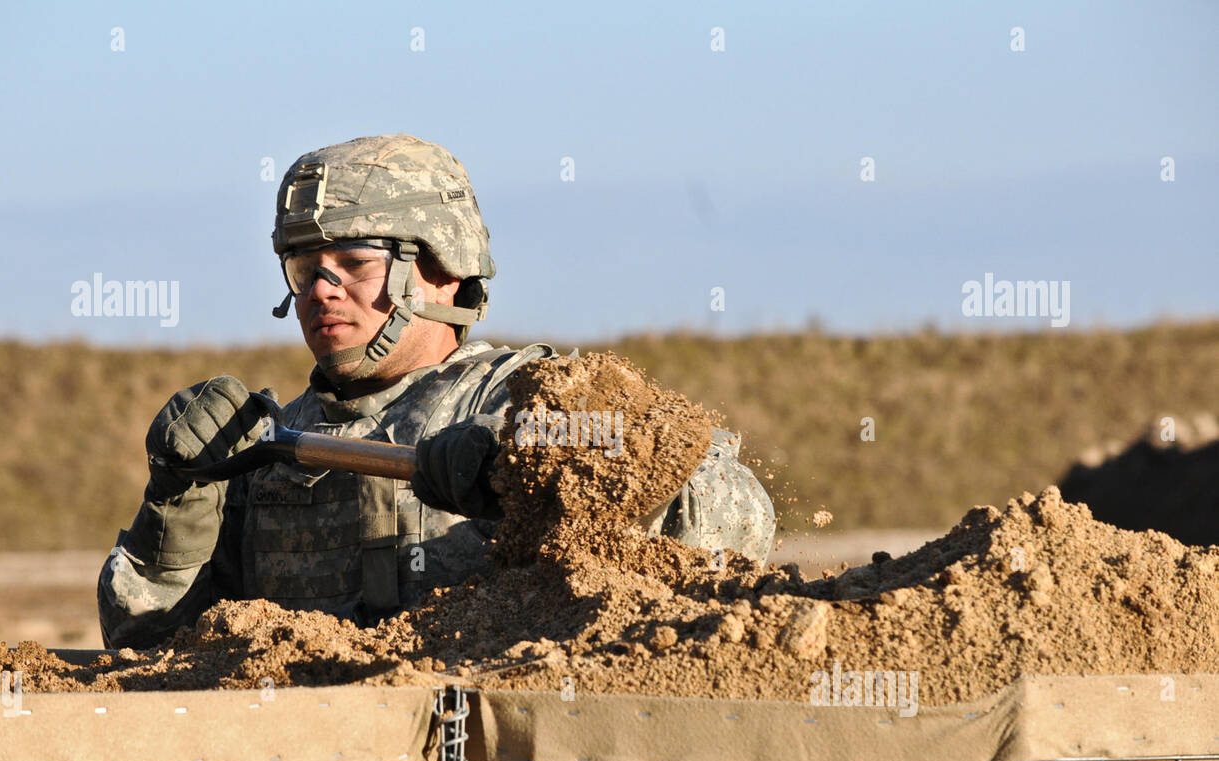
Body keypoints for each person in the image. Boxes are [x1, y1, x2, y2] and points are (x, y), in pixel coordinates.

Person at [98, 134, 775, 650]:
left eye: (353, 263)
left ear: (442, 268)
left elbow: (739, 527)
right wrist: (178, 498)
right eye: (304, 269)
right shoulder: (264, 447)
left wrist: (529, 475)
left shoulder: (539, 401)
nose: (321, 291)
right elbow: (150, 649)